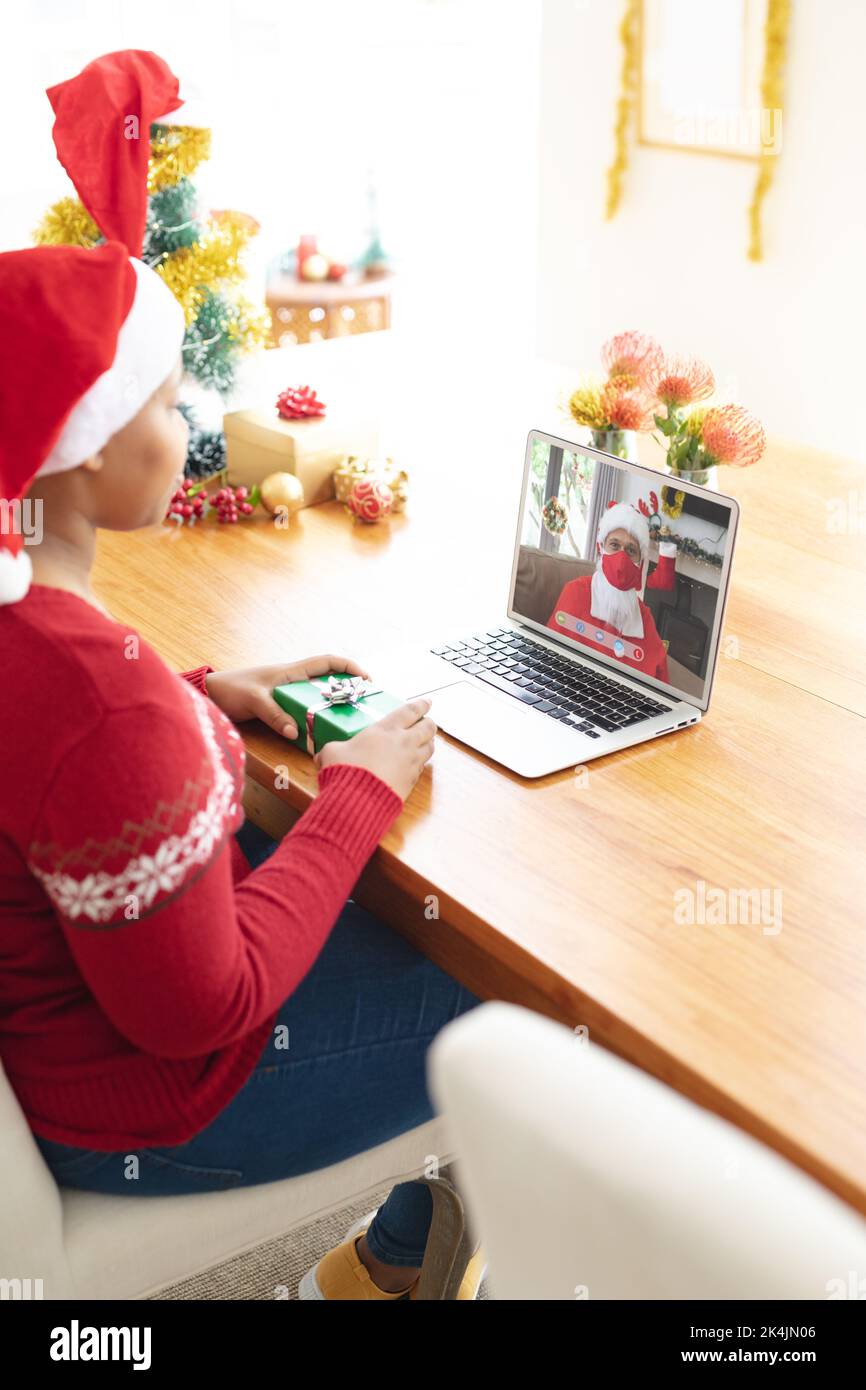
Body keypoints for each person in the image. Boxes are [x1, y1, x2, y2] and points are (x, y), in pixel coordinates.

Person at [0, 238, 483, 1301]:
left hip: (64, 1037)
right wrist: (358, 787)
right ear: (84, 448)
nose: (192, 429)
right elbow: (209, 1008)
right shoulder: (95, 700)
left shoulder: (33, 624)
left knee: (388, 906)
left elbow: (60, 757)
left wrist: (194, 693)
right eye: (169, 406)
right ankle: (427, 1267)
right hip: (145, 1109)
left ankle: (387, 1269)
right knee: (510, 996)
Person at [546, 501, 670, 683]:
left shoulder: (644, 618)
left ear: (640, 563)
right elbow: (548, 660)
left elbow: (661, 686)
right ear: (601, 549)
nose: (622, 557)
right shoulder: (576, 593)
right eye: (614, 545)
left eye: (631, 550)